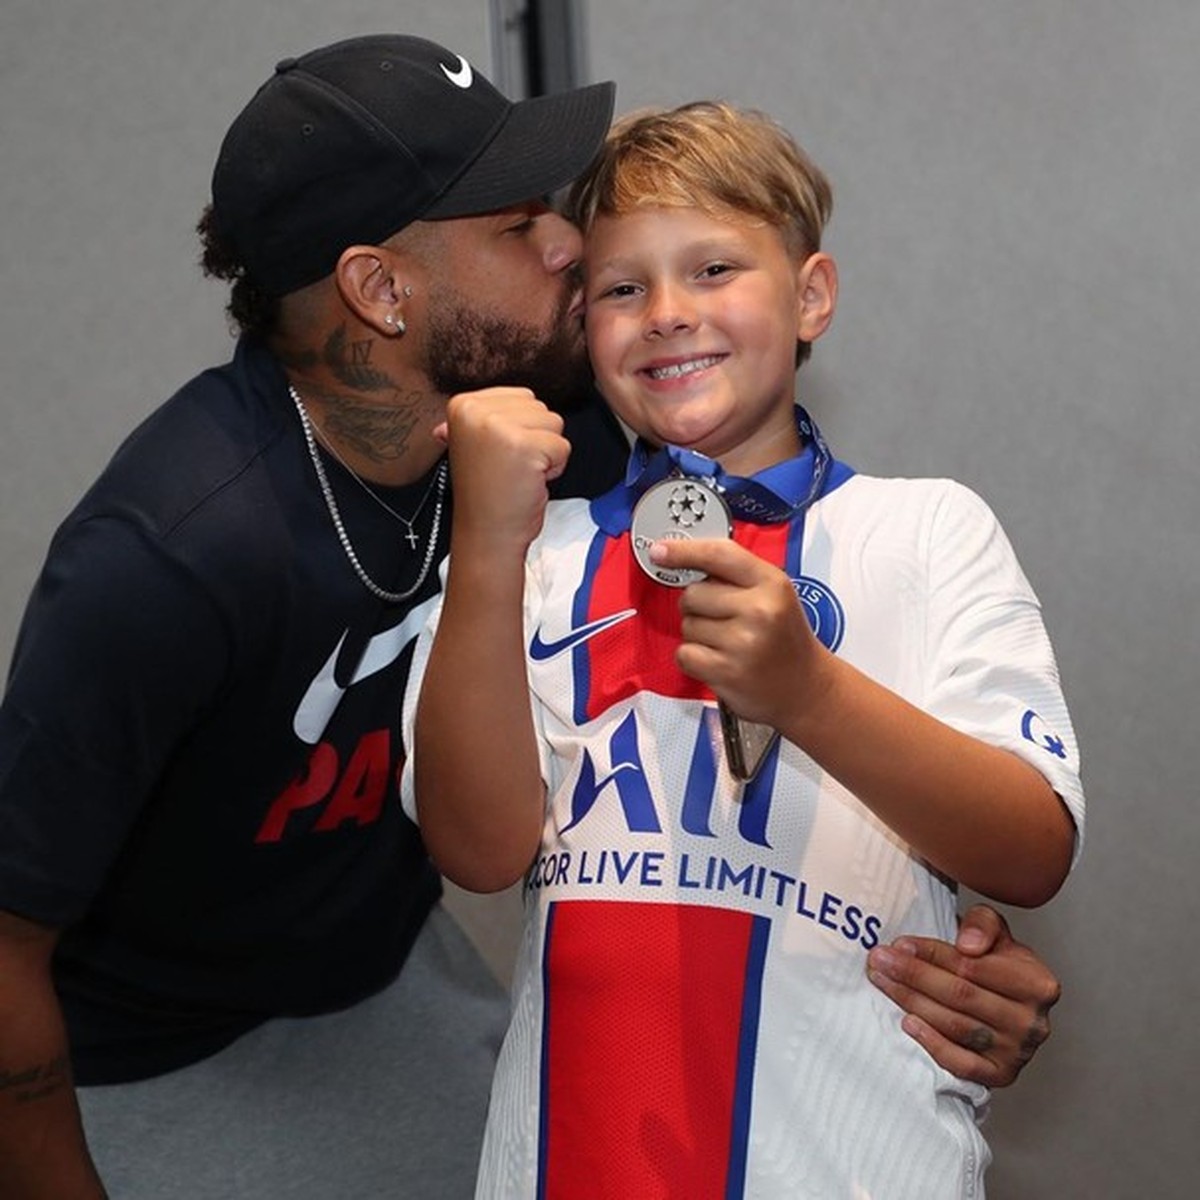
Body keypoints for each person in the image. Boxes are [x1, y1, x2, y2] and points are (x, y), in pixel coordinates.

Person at [0, 33, 1058, 1200]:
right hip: (151, 1047)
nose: (572, 246)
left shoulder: (588, 427)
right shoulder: (169, 555)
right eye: (517, 223)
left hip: (382, 966)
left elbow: (880, 797)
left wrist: (944, 948)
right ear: (380, 289)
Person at [404, 100, 1084, 1199]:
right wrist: (485, 545)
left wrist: (807, 692)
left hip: (853, 1163)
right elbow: (476, 849)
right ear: (584, 324)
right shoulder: (533, 552)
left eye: (715, 269)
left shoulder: (928, 531)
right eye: (624, 289)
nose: (668, 314)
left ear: (812, 294)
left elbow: (1032, 851)